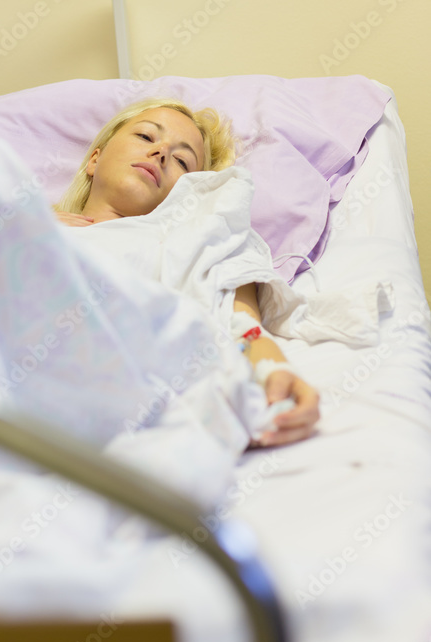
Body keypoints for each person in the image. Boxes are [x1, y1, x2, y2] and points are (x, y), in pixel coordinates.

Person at [52, 97, 321, 449]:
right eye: (147, 137)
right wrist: (21, 228)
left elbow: (242, 326)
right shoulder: (22, 225)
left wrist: (275, 371)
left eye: (181, 160)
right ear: (94, 159)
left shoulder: (200, 240)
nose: (161, 152)